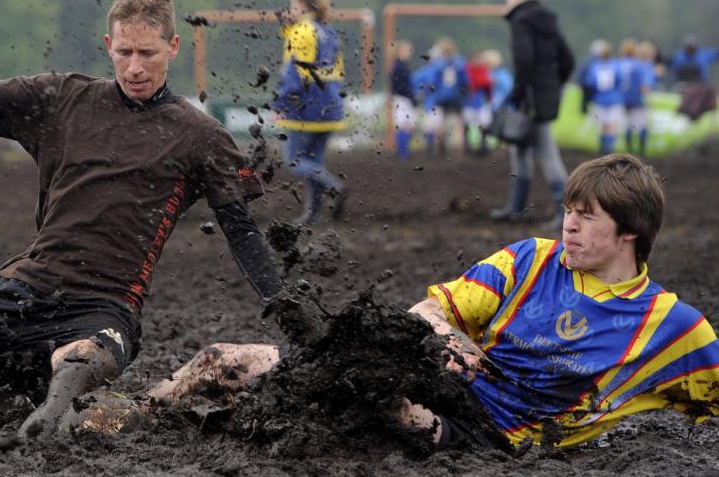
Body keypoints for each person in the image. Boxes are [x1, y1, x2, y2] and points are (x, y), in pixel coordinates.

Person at [71, 154, 719, 450]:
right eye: (567, 212)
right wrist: (444, 337)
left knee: (380, 409)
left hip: (489, 436)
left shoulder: (672, 328)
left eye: (586, 217)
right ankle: (117, 418)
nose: (569, 226)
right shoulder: (530, 260)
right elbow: (422, 315)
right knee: (222, 359)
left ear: (629, 233)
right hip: (444, 385)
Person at [0, 0, 283, 437]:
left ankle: (79, 409)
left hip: (104, 301)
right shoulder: (64, 97)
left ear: (172, 48)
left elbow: (241, 231)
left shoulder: (200, 135)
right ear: (108, 46)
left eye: (147, 53)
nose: (135, 67)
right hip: (24, 286)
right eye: (125, 51)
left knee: (71, 385)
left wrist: (285, 306)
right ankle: (11, 395)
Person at [490, 0, 574, 230]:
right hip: (544, 93)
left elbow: (524, 61)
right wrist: (552, 85)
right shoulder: (548, 20)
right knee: (520, 147)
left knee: (547, 154)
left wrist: (518, 94)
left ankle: (567, 211)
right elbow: (568, 59)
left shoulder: (521, 19)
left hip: (531, 97)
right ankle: (515, 208)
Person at [272, 0, 347, 226]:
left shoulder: (302, 30)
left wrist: (280, 103)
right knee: (314, 164)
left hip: (307, 106)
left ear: (302, 6)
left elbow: (293, 72)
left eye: (293, 5)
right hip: (331, 106)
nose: (289, 9)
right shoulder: (328, 31)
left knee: (294, 161)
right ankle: (312, 215)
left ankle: (335, 186)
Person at [419, 38, 469, 156]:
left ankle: (440, 147)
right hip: (456, 97)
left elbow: (433, 81)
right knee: (459, 123)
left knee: (440, 124)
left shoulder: (438, 64)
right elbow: (465, 81)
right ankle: (463, 149)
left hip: (441, 97)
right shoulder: (461, 62)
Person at [583, 40, 626, 155]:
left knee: (601, 126)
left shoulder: (595, 67)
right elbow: (621, 81)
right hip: (614, 99)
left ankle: (602, 150)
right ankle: (609, 150)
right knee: (612, 126)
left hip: (600, 100)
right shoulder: (616, 66)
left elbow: (590, 83)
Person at [389, 40, 419, 159]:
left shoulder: (400, 66)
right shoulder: (399, 67)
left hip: (403, 99)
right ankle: (402, 153)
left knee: (408, 126)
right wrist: (412, 98)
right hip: (402, 100)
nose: (408, 53)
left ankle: (403, 151)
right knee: (404, 125)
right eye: (405, 50)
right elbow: (403, 87)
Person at [462, 50, 494, 155]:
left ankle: (483, 145)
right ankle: (467, 146)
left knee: (483, 124)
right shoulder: (466, 70)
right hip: (469, 101)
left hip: (480, 101)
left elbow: (488, 86)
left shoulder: (483, 70)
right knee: (467, 123)